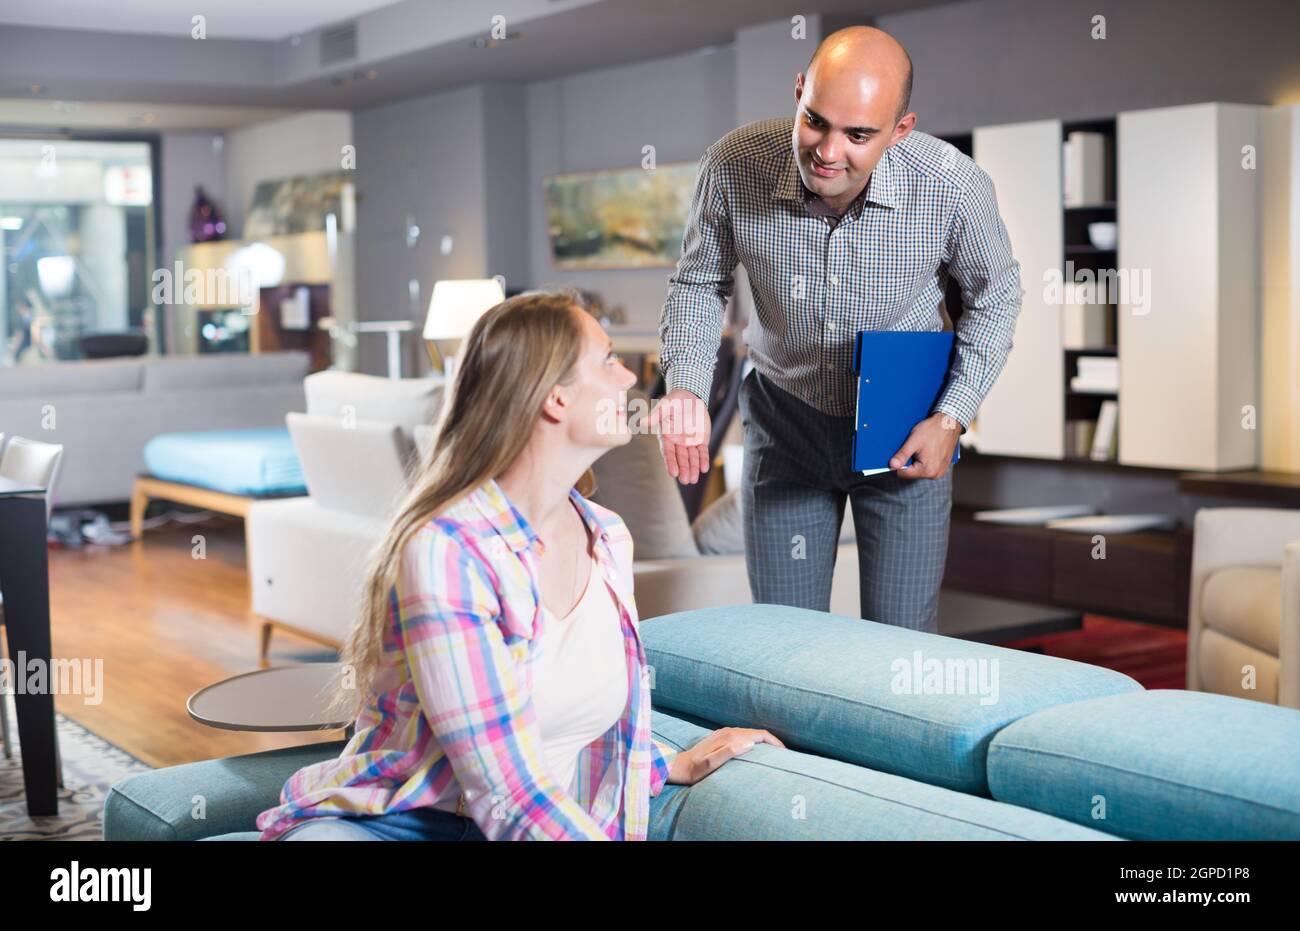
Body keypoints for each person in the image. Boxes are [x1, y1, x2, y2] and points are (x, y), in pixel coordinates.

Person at [255, 289, 783, 841]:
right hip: (401, 826)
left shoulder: (607, 538)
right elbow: (506, 792)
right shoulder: (447, 550)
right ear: (554, 398)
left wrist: (671, 762)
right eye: (607, 360)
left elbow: (575, 718)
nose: (629, 379)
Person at [651, 26, 1022, 632]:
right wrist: (686, 384)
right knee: (789, 642)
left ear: (900, 131)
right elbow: (698, 282)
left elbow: (997, 295)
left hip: (904, 430)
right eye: (815, 121)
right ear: (799, 92)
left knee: (900, 644)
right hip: (785, 420)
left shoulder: (952, 185)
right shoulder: (733, 165)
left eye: (858, 135)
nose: (827, 151)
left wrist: (951, 415)